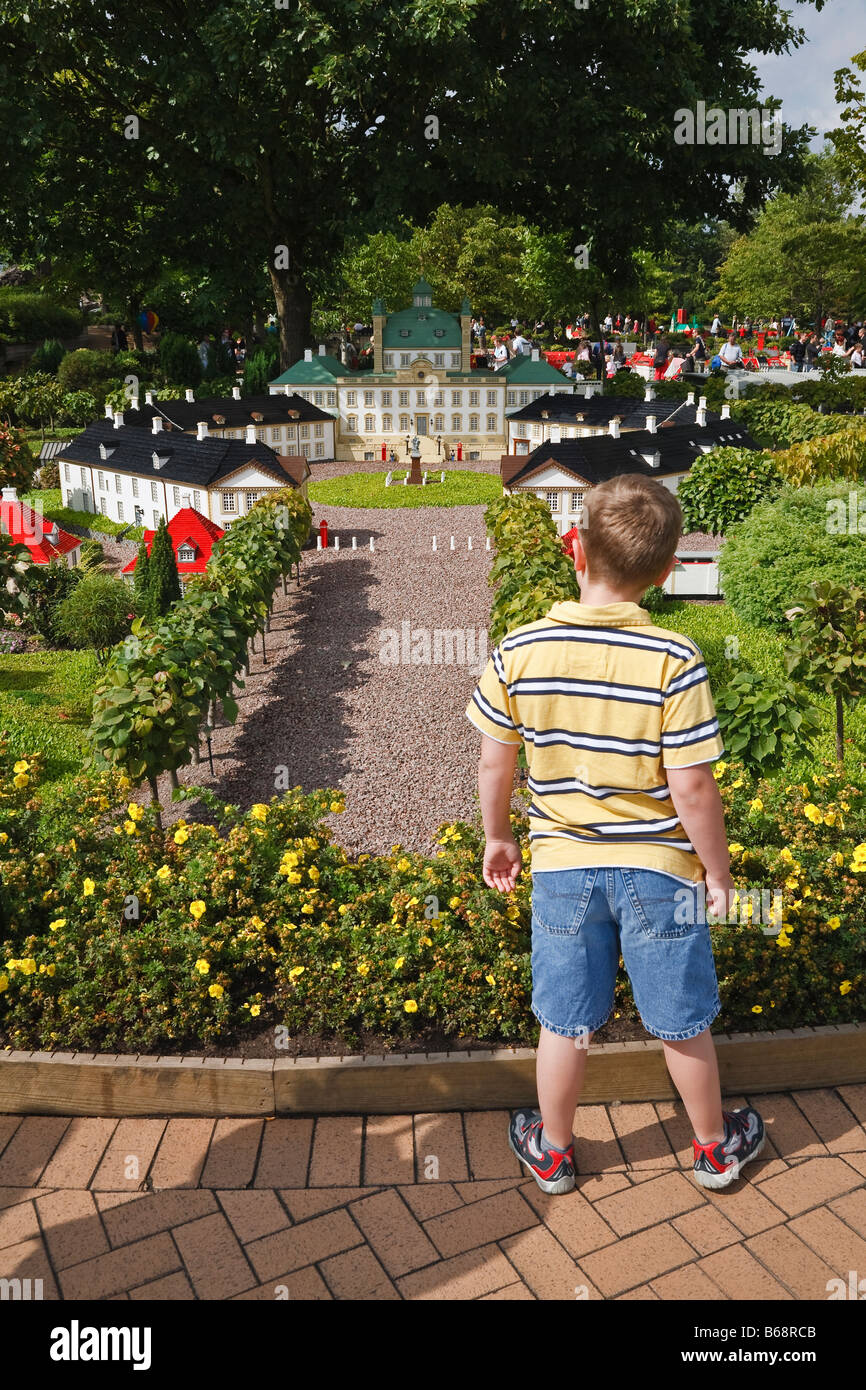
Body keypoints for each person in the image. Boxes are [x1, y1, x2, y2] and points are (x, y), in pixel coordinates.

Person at [466, 474, 765, 1196]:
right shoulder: (674, 658)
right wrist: (718, 873)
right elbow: (693, 788)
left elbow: (493, 760)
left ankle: (556, 1152)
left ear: (576, 549)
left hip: (564, 866)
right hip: (659, 871)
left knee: (565, 1022)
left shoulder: (520, 649)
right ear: (666, 572)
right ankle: (713, 1150)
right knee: (681, 1021)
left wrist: (498, 837)